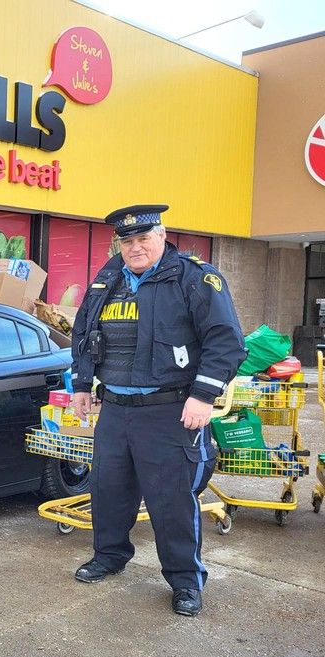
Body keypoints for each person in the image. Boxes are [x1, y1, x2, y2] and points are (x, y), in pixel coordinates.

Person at [70, 204, 245, 617]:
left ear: (162, 236)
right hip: (114, 407)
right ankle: (109, 556)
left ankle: (185, 581)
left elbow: (226, 341)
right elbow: (83, 332)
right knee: (108, 491)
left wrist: (203, 395)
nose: (134, 247)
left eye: (143, 238)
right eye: (126, 241)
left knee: (171, 501)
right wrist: (81, 384)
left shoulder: (194, 277)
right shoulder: (108, 277)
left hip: (168, 410)